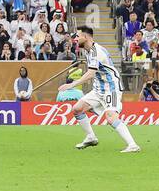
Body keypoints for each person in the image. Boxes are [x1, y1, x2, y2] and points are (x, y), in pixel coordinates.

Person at [58, 26, 140, 154]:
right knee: (77, 109)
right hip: (98, 89)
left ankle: (132, 145)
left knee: (111, 117)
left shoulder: (97, 52)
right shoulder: (87, 51)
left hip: (111, 88)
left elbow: (90, 74)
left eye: (78, 36)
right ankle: (91, 137)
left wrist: (71, 85)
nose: (75, 39)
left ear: (85, 37)